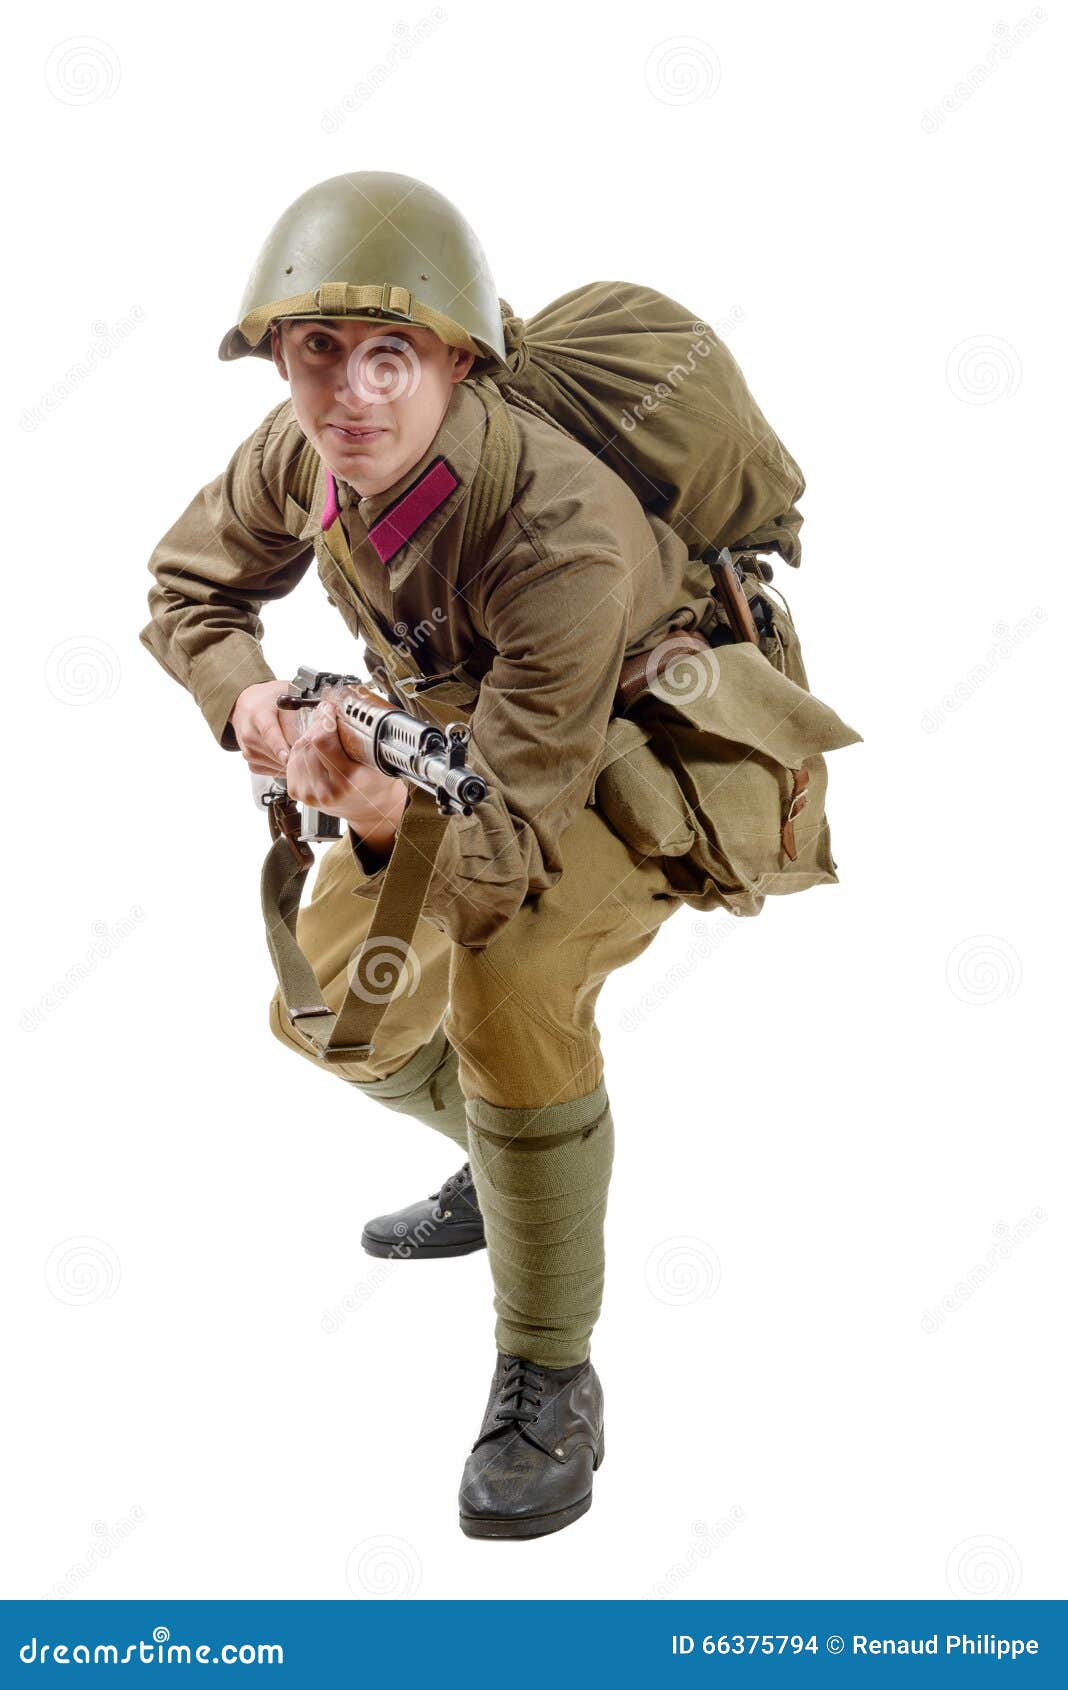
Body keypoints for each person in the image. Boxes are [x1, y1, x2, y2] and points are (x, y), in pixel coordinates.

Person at [141, 170, 855, 1540]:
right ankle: (516, 1167)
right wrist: (246, 698)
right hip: (467, 739)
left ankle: (549, 1364)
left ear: (458, 357)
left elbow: (514, 839)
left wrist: (374, 813)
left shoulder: (562, 527)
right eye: (316, 353)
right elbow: (188, 585)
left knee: (505, 976)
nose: (351, 394)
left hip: (653, 735)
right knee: (328, 1007)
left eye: (391, 355)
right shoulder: (309, 458)